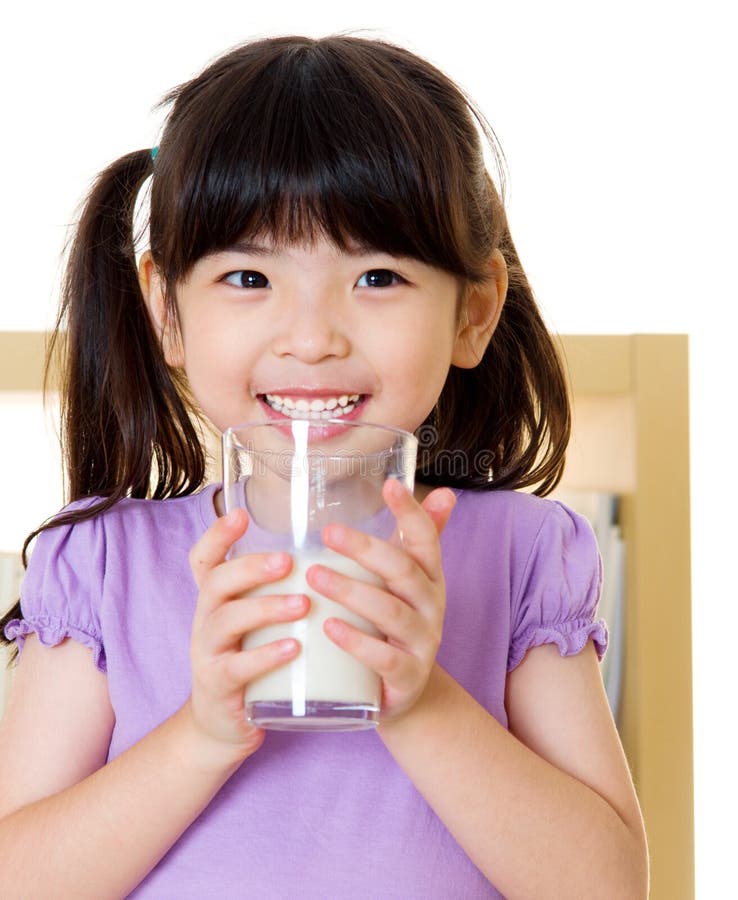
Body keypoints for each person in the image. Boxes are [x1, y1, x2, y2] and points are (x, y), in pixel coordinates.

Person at [0, 35, 648, 898]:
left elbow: (607, 886)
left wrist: (421, 704)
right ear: (167, 312)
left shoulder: (521, 555)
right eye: (247, 277)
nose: (311, 338)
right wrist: (201, 735)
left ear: (474, 312)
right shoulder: (103, 566)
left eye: (377, 277)